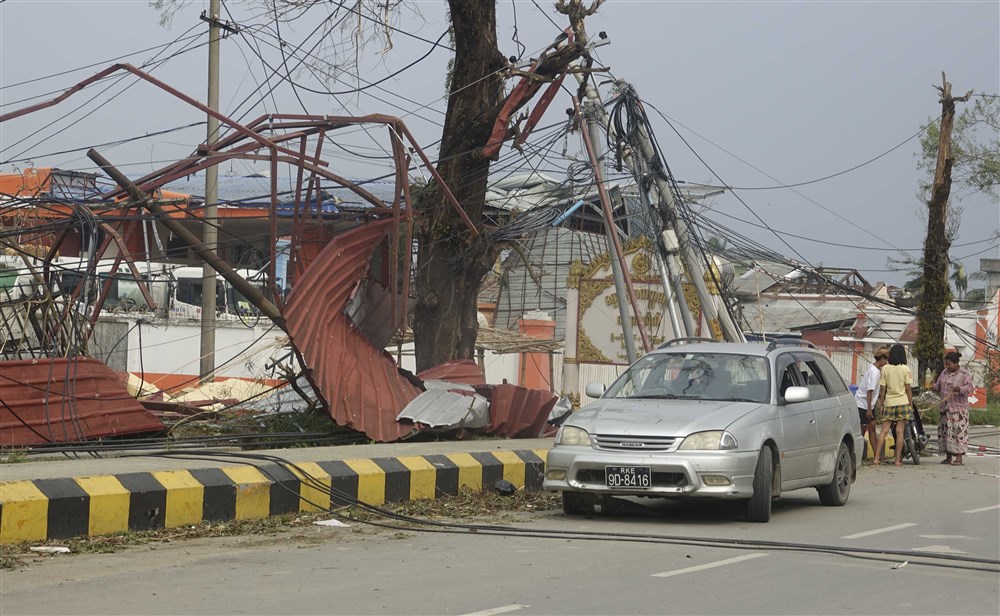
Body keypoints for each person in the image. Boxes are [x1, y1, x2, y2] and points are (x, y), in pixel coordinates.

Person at [873, 344, 914, 467]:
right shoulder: (905, 369)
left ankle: (876, 459)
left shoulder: (885, 369)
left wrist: (882, 403)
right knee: (900, 431)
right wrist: (910, 404)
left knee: (884, 430)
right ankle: (897, 460)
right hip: (902, 402)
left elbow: (883, 389)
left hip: (889, 402)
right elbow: (908, 389)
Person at [933, 350, 974, 465]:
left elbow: (970, 388)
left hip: (958, 410)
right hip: (945, 409)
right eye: (946, 364)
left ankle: (959, 458)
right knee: (946, 432)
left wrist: (960, 389)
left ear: (956, 363)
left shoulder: (964, 374)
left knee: (958, 433)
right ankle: (948, 457)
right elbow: (938, 386)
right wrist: (932, 385)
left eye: (950, 364)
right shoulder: (944, 373)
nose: (948, 366)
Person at [855, 347, 889, 462]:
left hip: (870, 405)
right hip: (864, 405)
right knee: (862, 431)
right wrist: (869, 409)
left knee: (873, 428)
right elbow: (869, 391)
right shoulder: (874, 372)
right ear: (882, 359)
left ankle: (877, 456)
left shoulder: (874, 370)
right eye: (886, 360)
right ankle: (856, 457)